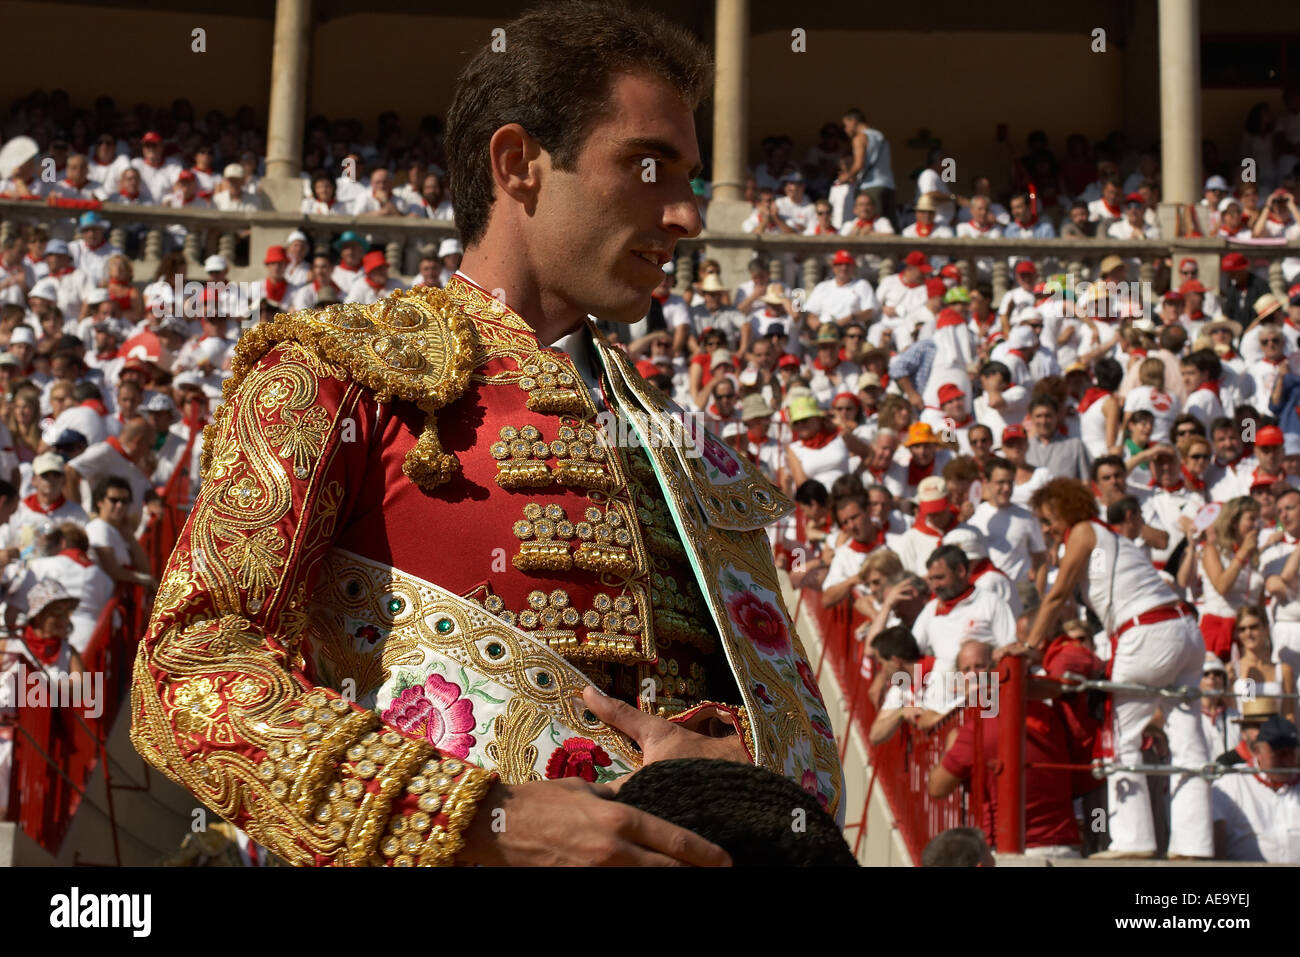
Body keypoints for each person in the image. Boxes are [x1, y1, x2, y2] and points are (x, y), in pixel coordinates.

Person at [130, 1, 843, 868]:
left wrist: (732, 764)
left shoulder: (685, 446)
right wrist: (475, 817)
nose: (687, 216)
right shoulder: (335, 379)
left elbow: (806, 747)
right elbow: (190, 665)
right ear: (520, 165)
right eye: (648, 166)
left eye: (689, 177)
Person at [1022, 478, 1213, 860]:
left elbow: (1057, 595)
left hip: (1145, 634)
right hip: (1186, 630)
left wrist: (1028, 649)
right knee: (1189, 741)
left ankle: (1133, 841)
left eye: (1048, 518)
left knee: (1120, 736)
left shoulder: (1082, 531)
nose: (1047, 528)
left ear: (1066, 509)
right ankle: (1194, 846)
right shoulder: (1112, 537)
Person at [911, 544, 1016, 677]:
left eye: (939, 578)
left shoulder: (991, 602)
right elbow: (911, 652)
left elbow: (1010, 650)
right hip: (941, 690)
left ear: (961, 571)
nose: (935, 586)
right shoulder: (930, 609)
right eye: (931, 579)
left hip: (983, 689)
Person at [1212, 716, 1300, 862]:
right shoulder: (1232, 782)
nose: (1286, 759)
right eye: (1278, 752)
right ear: (1257, 750)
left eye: (1291, 752)